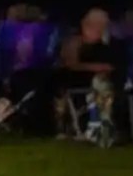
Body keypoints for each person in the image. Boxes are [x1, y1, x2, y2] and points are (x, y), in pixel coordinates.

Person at [53, 8, 123, 145]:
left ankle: (103, 125)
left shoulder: (107, 45)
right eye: (97, 24)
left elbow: (114, 65)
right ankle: (94, 126)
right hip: (76, 79)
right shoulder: (75, 42)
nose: (101, 28)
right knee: (99, 84)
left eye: (103, 25)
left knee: (103, 84)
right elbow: (71, 64)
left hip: (103, 80)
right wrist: (96, 67)